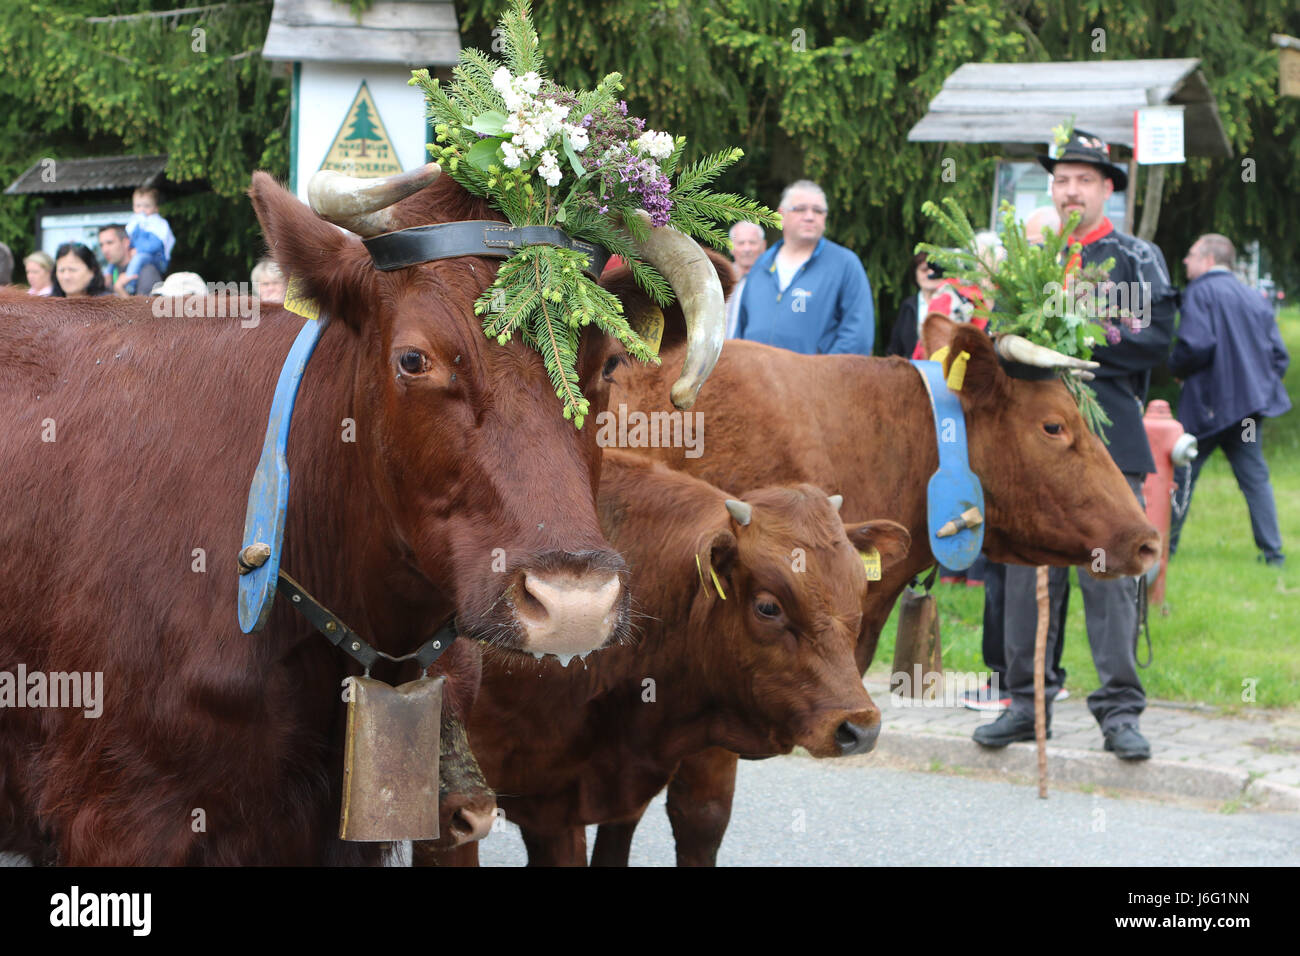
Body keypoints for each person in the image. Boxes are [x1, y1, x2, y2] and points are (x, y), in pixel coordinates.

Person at [971, 128, 1176, 761]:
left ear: (1107, 188)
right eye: (1061, 180)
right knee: (1029, 572)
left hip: (1107, 438)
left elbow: (1159, 337)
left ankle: (1119, 713)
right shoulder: (1028, 257)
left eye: (1084, 179)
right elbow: (996, 333)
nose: (1070, 190)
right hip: (1032, 449)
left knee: (1108, 575)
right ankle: (1026, 703)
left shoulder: (1135, 258)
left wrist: (1081, 337)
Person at [1168, 234, 1289, 566]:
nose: (1185, 261)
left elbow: (1195, 344)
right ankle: (1273, 554)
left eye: (1190, 255)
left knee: (1183, 471)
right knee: (1255, 478)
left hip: (1209, 408)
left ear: (1208, 260)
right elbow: (1279, 356)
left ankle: (1165, 547)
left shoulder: (1200, 292)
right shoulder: (1254, 297)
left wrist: (1175, 368)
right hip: (1248, 412)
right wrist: (1259, 388)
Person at [735, 180, 874, 355]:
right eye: (800, 209)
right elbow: (740, 332)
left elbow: (858, 336)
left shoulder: (845, 265)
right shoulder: (761, 266)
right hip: (755, 380)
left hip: (817, 380)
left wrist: (823, 376)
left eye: (818, 211)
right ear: (781, 215)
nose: (810, 216)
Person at [886, 252, 946, 358]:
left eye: (936, 269)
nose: (930, 273)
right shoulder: (908, 306)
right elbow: (895, 349)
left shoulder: (956, 304)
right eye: (924, 270)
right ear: (915, 274)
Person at [121, 187, 176, 294]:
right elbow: (131, 239)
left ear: (156, 208)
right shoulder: (135, 222)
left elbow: (155, 245)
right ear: (133, 207)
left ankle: (129, 285)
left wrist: (137, 250)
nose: (142, 210)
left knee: (138, 258)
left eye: (146, 206)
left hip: (157, 258)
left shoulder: (158, 224)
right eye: (138, 206)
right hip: (140, 255)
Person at [725, 222, 766, 339]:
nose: (747, 249)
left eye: (752, 243)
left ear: (763, 246)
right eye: (741, 243)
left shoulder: (772, 281)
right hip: (722, 353)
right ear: (730, 247)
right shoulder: (720, 279)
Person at [98, 224, 163, 297]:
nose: (104, 250)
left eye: (110, 243)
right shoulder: (110, 274)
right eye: (101, 245)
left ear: (126, 243)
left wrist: (120, 290)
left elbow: (146, 308)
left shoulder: (147, 271)